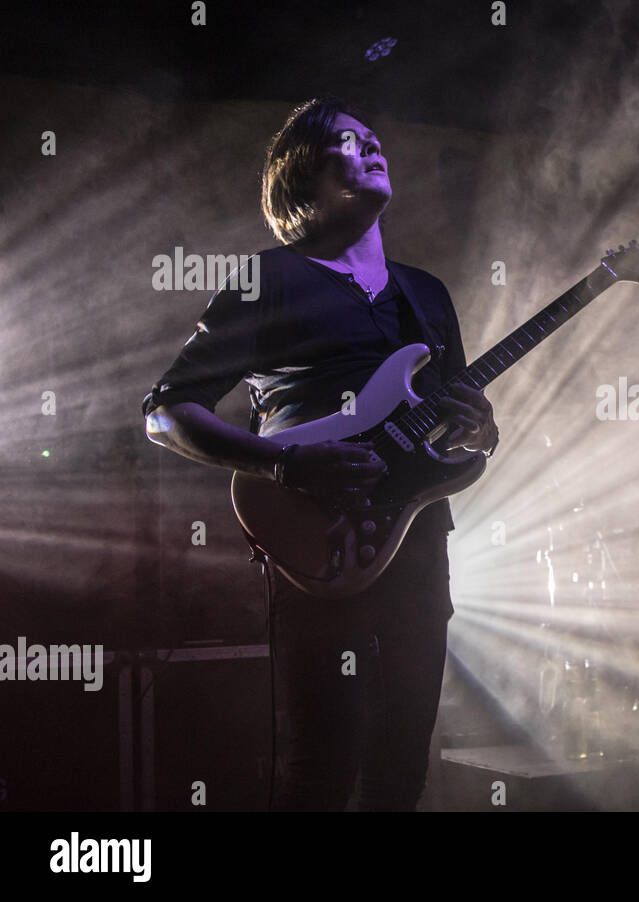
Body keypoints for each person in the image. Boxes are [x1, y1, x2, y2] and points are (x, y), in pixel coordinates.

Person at [142, 97, 498, 810]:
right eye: (347, 139)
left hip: (416, 538)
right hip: (311, 533)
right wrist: (285, 464)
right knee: (321, 766)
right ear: (300, 175)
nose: (373, 145)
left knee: (402, 769)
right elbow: (164, 411)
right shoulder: (266, 280)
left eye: (375, 137)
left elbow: (455, 425)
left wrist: (477, 428)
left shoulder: (423, 294)